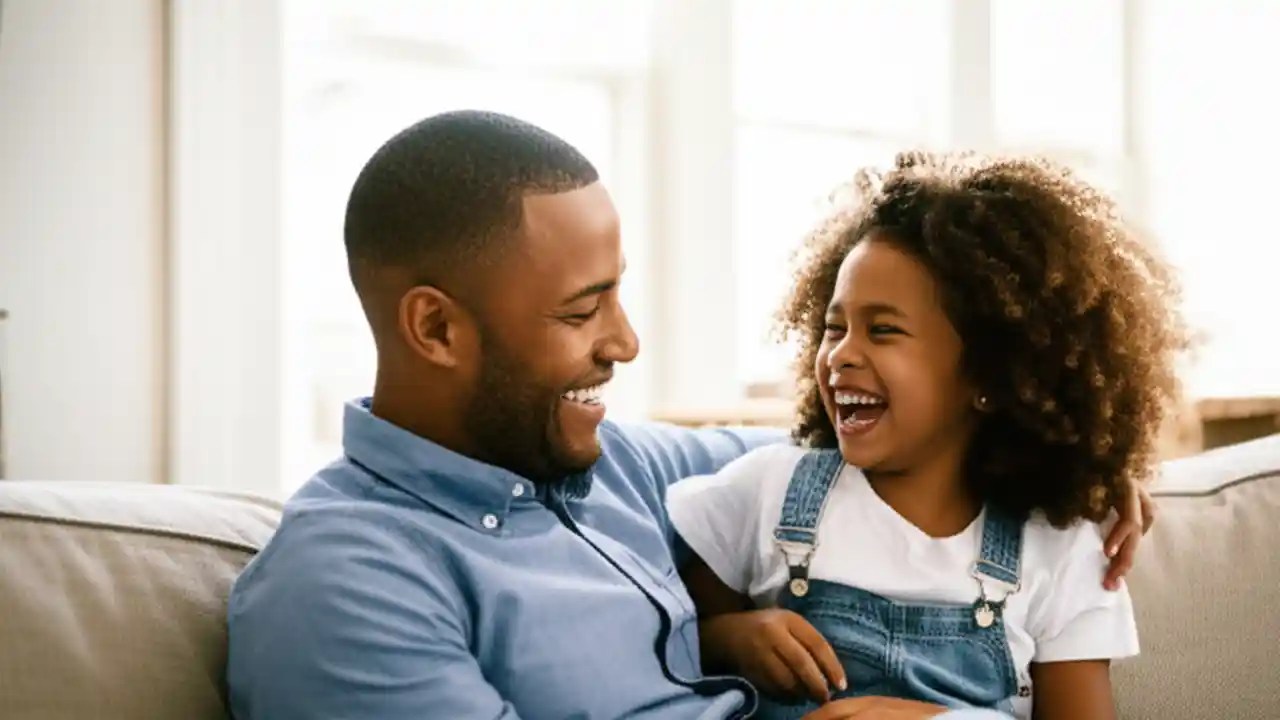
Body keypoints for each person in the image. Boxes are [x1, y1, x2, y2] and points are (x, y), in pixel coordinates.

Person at [225, 114, 1152, 719]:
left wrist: (1071, 459)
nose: (626, 344)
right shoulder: (348, 578)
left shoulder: (611, 465)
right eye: (581, 311)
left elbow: (869, 462)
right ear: (435, 327)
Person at [668, 152, 1185, 719]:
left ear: (990, 375)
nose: (841, 355)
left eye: (883, 330)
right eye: (833, 328)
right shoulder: (766, 493)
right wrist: (733, 638)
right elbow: (668, 641)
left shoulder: (1059, 550)